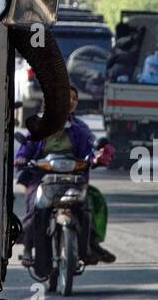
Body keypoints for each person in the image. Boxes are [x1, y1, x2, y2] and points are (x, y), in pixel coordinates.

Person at [15, 87, 114, 268]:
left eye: (73, 99)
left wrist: (97, 157)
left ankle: (89, 246)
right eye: (63, 100)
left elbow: (90, 148)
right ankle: (28, 247)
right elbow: (25, 149)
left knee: (86, 208)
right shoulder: (38, 127)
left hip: (73, 178)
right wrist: (22, 158)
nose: (69, 103)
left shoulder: (78, 130)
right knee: (34, 209)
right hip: (42, 177)